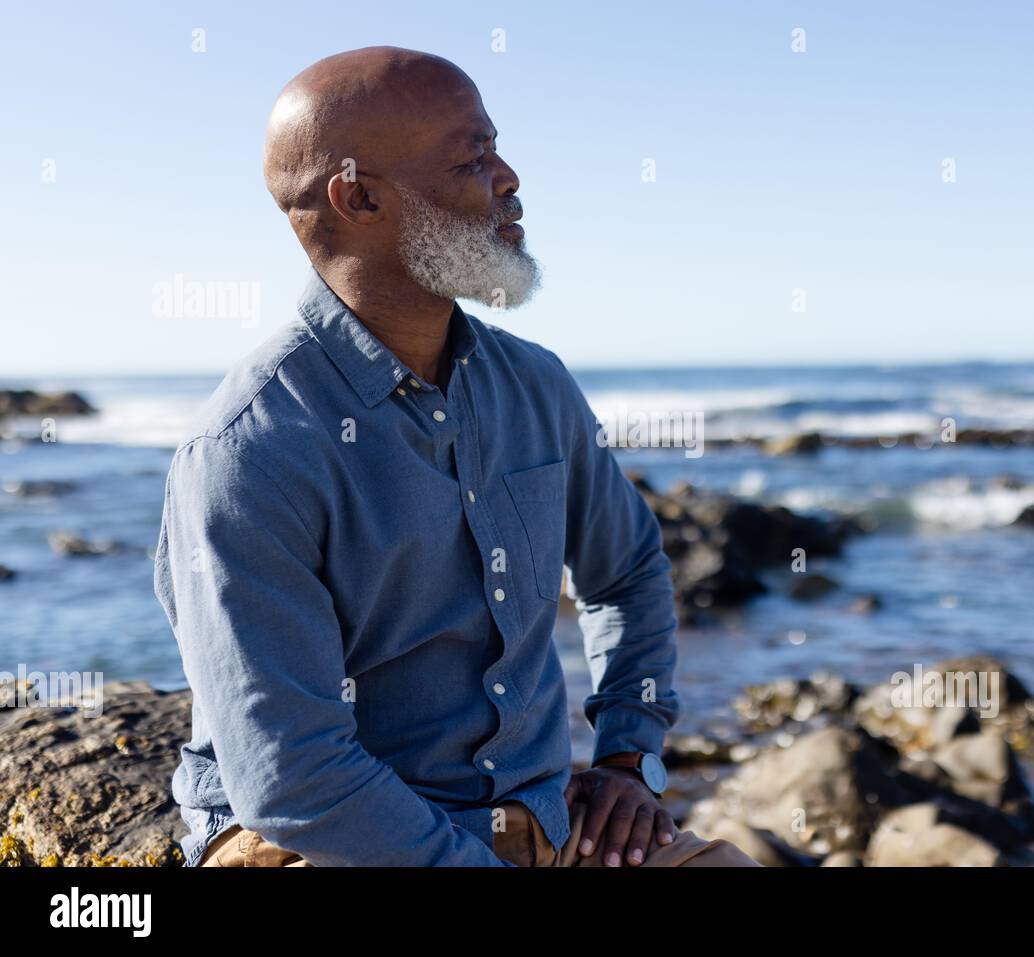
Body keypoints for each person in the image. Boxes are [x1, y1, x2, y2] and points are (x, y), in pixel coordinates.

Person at [153, 45, 760, 868]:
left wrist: (627, 756)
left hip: (536, 825)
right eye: (473, 156)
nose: (508, 178)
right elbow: (294, 777)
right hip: (324, 843)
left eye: (497, 148)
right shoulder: (247, 452)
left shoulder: (536, 388)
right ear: (359, 197)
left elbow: (626, 573)